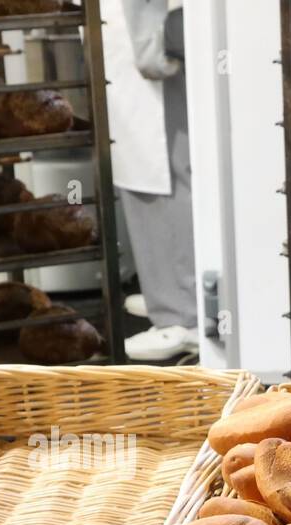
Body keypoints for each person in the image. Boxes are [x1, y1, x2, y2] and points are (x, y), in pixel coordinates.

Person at [104, 0, 198, 361]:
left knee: (163, 173)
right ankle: (167, 294)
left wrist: (149, 46)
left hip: (146, 50)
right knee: (139, 170)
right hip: (124, 43)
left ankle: (184, 318)